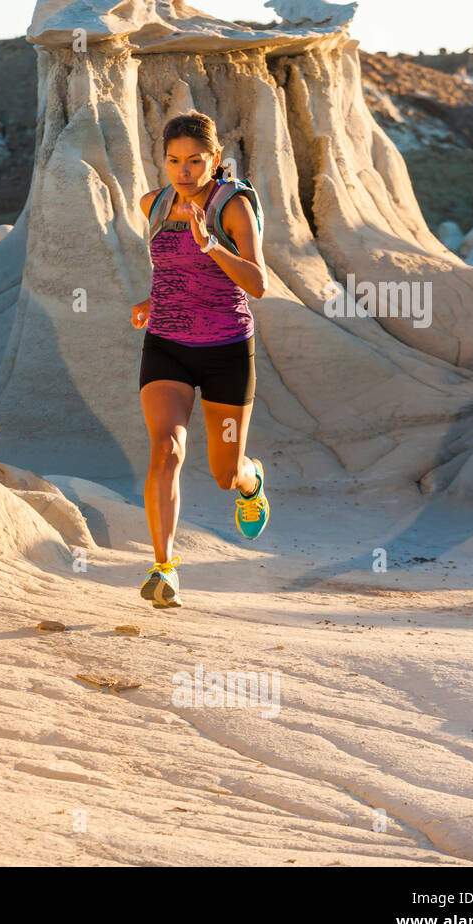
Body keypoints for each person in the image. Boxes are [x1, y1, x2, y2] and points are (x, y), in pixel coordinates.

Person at [130, 110, 270, 609]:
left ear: (215, 160)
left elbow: (257, 283)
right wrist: (153, 302)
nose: (183, 171)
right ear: (163, 161)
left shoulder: (232, 209)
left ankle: (252, 481)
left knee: (224, 473)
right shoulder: (153, 204)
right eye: (173, 161)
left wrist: (209, 243)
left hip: (226, 351)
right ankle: (164, 569)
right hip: (166, 346)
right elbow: (170, 268)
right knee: (166, 449)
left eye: (194, 160)